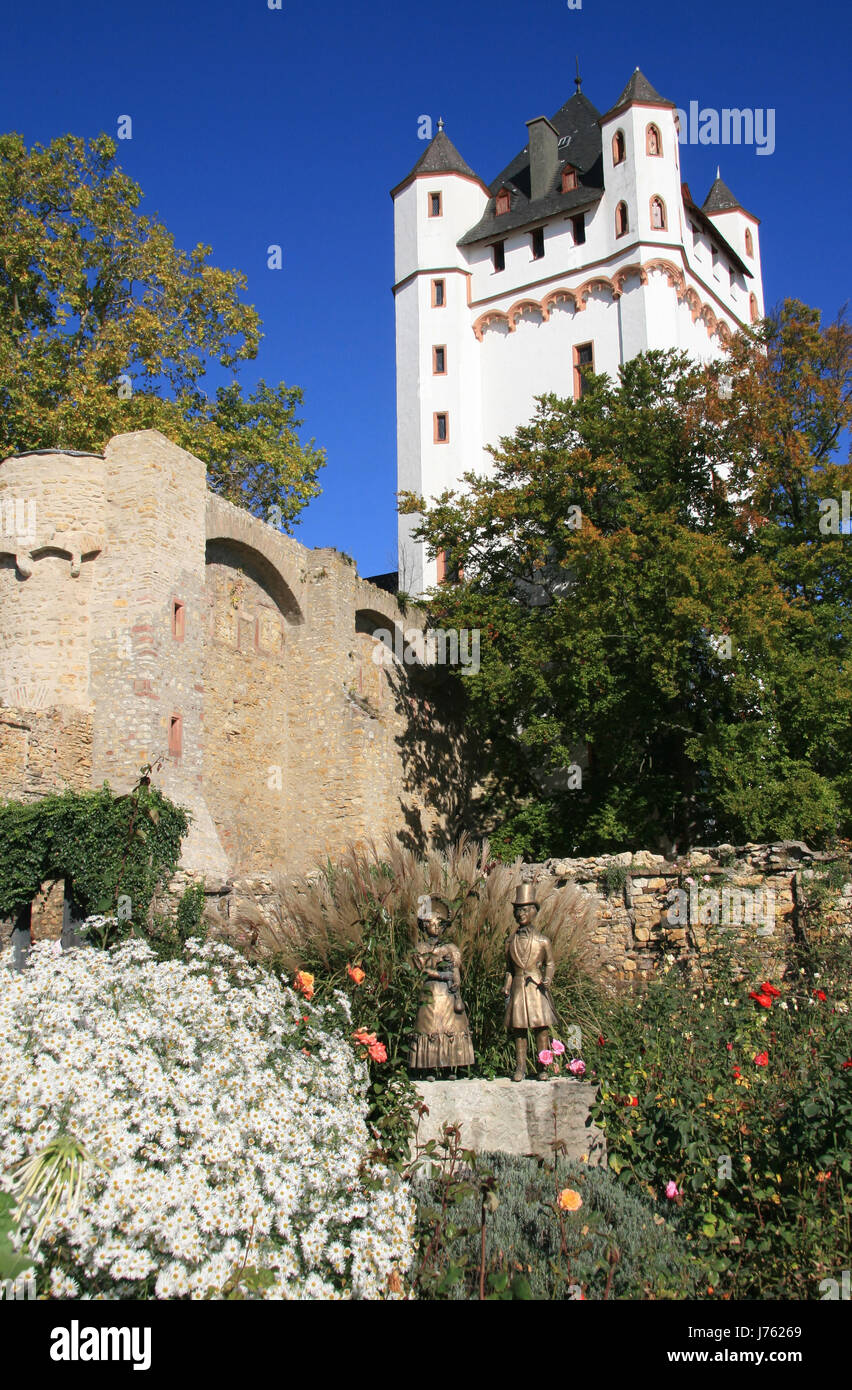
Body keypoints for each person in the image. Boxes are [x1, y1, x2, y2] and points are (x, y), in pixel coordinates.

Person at [408, 895, 474, 1078]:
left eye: (439, 923)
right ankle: (428, 1066)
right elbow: (420, 969)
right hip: (429, 993)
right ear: (423, 925)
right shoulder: (419, 948)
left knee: (450, 1026)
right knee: (429, 1027)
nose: (435, 927)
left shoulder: (450, 947)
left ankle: (449, 1066)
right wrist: (438, 972)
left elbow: (456, 966)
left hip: (447, 994)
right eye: (430, 923)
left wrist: (451, 973)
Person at [504, 883, 557, 1081]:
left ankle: (543, 1067)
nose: (520, 914)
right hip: (518, 987)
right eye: (518, 910)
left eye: (525, 909)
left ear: (534, 912)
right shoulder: (510, 942)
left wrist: (548, 978)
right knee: (519, 1029)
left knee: (541, 1028)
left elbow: (550, 963)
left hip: (536, 987)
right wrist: (506, 986)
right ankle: (520, 1067)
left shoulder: (543, 941)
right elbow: (509, 969)